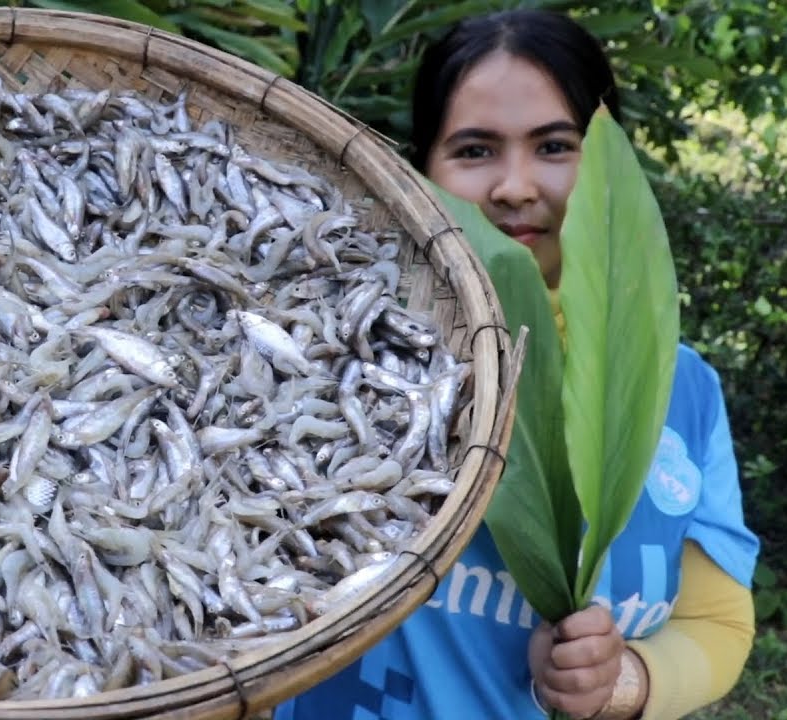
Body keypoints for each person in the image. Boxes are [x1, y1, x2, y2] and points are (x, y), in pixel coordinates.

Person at [274, 9, 760, 720]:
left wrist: (621, 682)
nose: (514, 186)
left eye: (555, 146)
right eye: (474, 150)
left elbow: (717, 623)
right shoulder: (339, 363)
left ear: (608, 166)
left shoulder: (681, 389)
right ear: (420, 171)